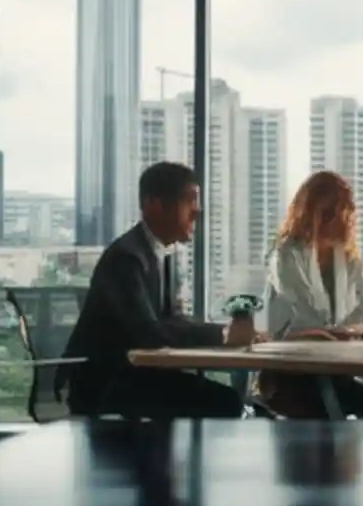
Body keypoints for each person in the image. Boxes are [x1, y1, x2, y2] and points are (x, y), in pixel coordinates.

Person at [65, 162, 248, 418]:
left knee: (227, 400)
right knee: (226, 402)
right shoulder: (126, 258)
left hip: (139, 378)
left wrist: (227, 332)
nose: (197, 211)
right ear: (155, 205)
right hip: (108, 385)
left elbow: (171, 321)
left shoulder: (162, 254)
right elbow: (149, 332)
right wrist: (224, 335)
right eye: (190, 201)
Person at [257, 171, 363, 419]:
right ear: (308, 213)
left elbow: (360, 319)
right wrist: (334, 334)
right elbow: (297, 324)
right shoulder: (287, 255)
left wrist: (338, 333)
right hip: (291, 374)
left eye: (343, 213)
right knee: (331, 420)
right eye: (328, 213)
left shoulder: (350, 259)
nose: (336, 221)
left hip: (335, 371)